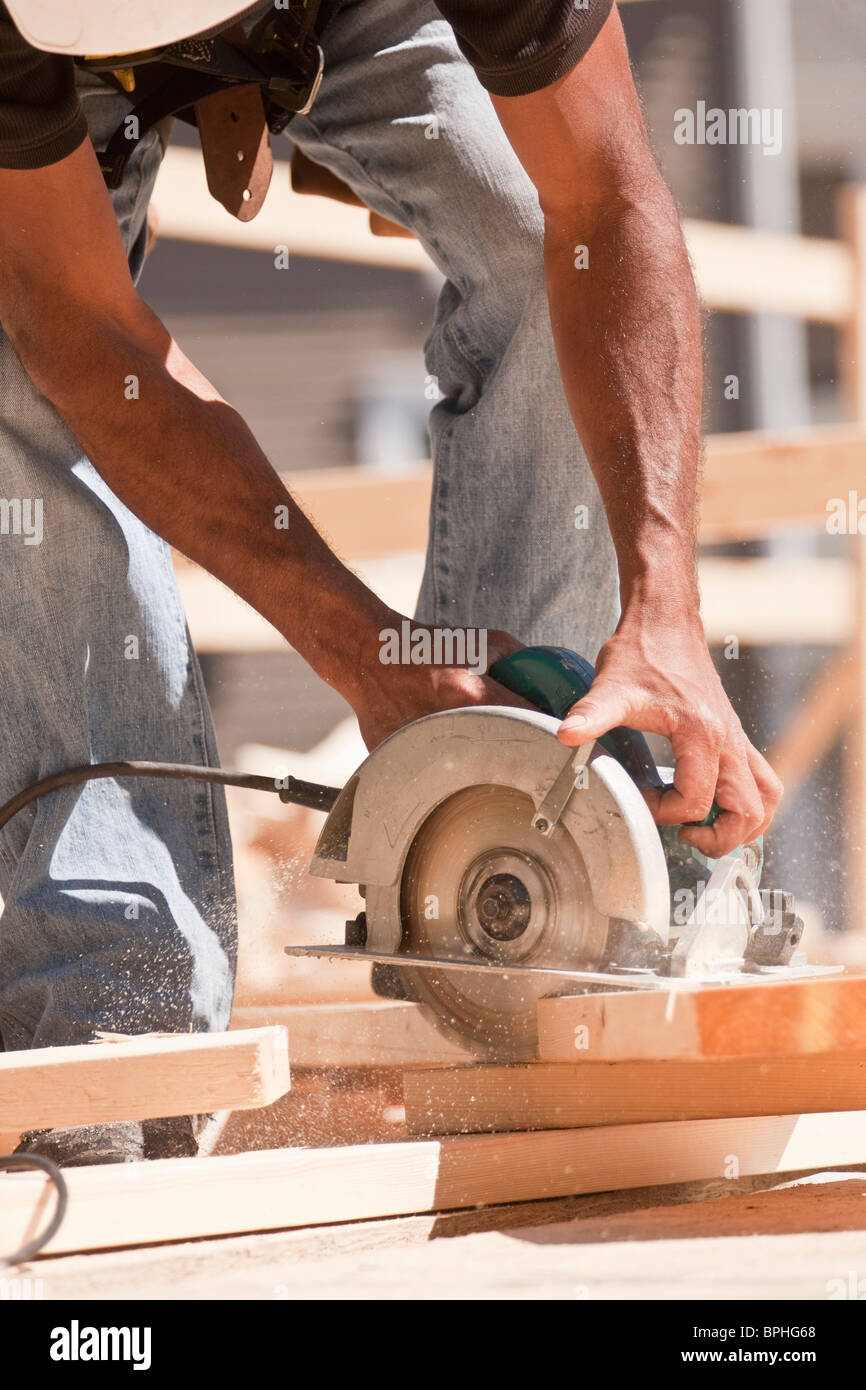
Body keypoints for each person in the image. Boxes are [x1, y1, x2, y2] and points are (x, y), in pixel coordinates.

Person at [0, 0, 781, 1164]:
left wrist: (661, 601)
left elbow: (604, 202)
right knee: (17, 369)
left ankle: (536, 893)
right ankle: (117, 995)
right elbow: (85, 336)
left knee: (531, 222)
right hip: (61, 70)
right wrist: (366, 655)